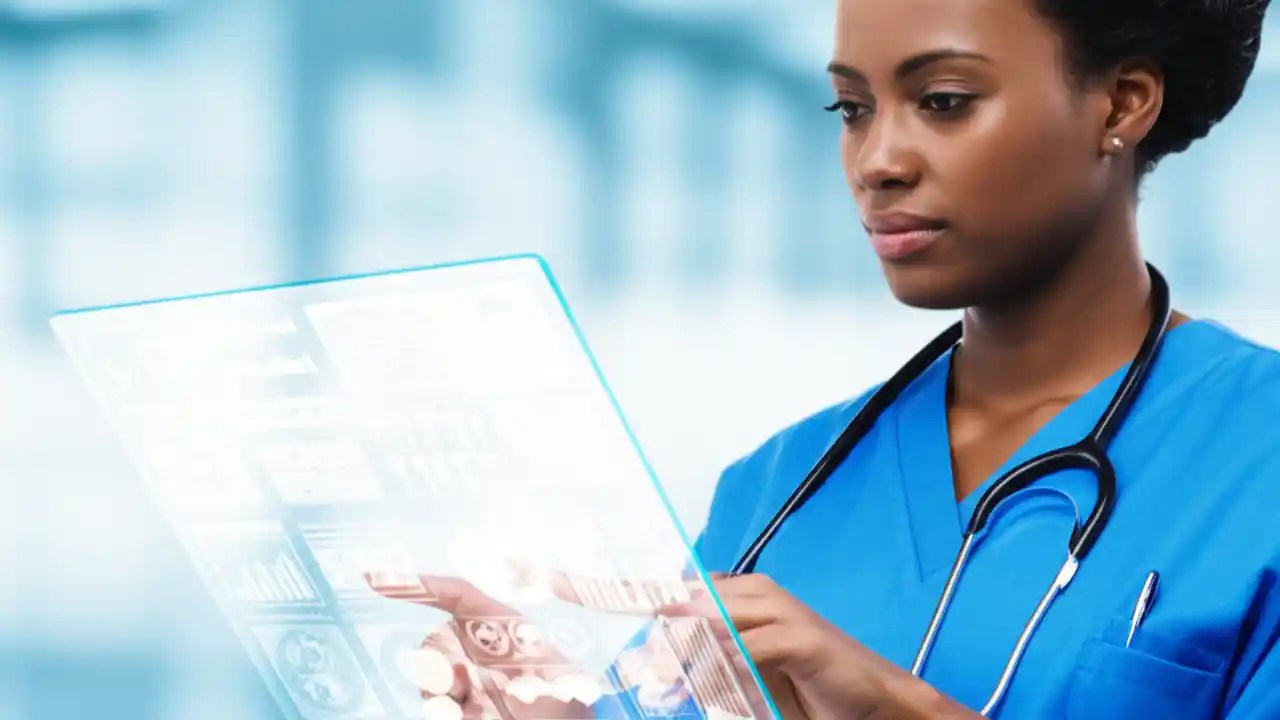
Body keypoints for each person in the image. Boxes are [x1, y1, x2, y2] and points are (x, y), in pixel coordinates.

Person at [379, 0, 1280, 716]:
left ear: (1122, 103)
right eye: (852, 108)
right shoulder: (775, 490)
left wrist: (895, 711)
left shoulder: (1257, 456)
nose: (875, 160)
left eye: (943, 101)